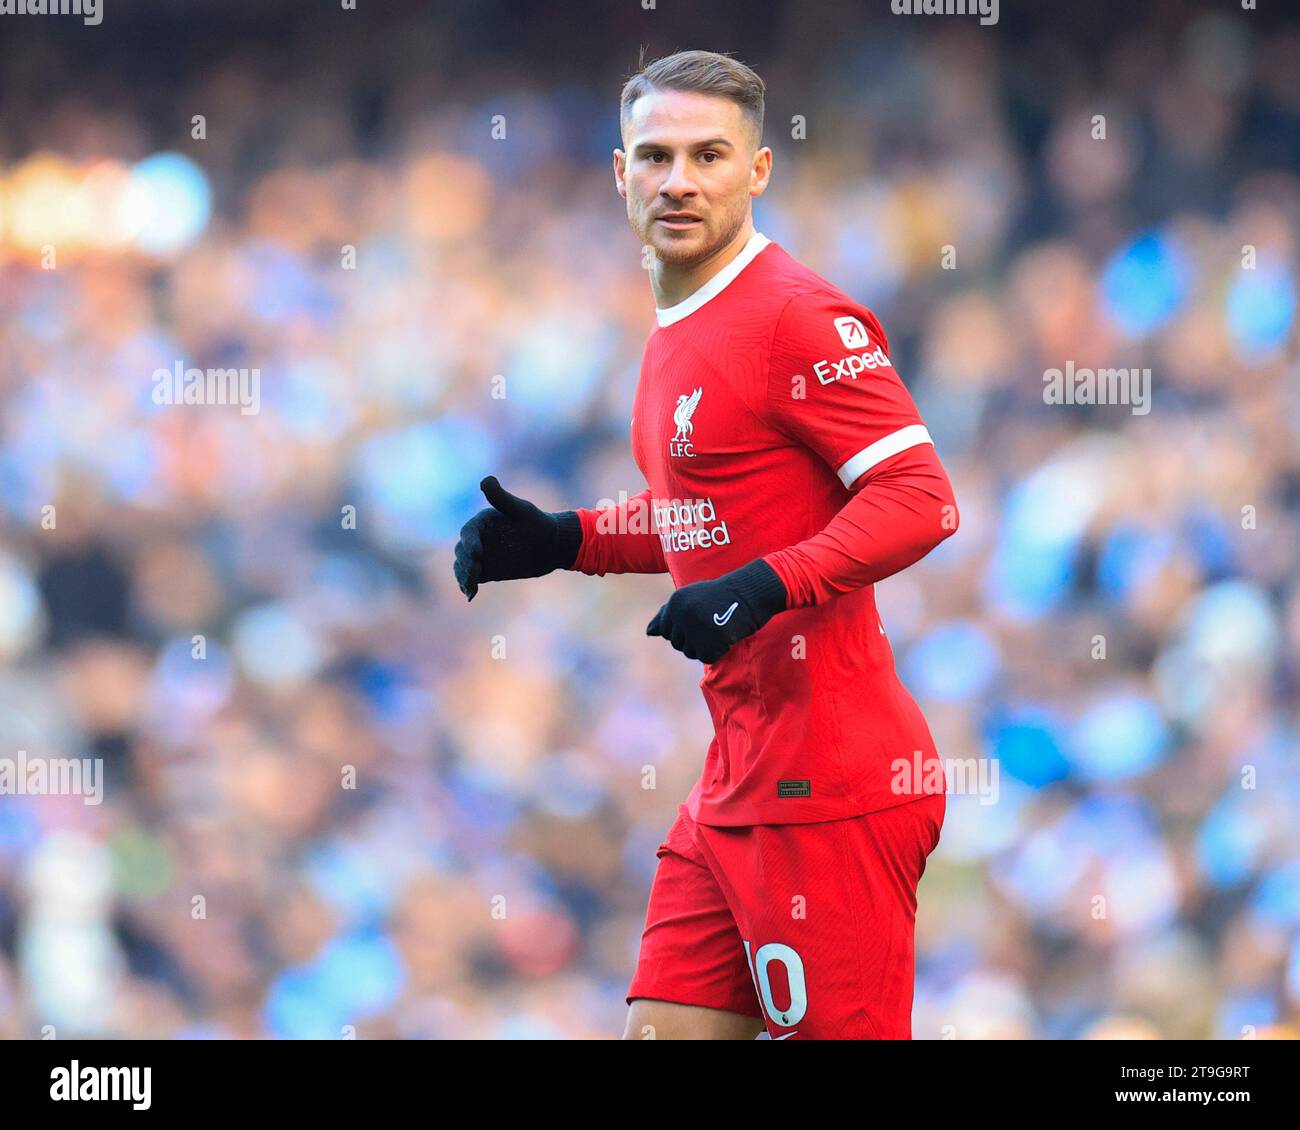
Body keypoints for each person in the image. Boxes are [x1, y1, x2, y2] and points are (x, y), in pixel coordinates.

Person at [454, 48, 959, 1040]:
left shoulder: (796, 316)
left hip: (831, 786)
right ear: (619, 173)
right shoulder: (677, 326)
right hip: (738, 774)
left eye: (708, 155)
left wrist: (771, 584)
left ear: (758, 172)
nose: (677, 180)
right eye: (654, 156)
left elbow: (921, 495)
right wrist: (567, 538)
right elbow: (707, 513)